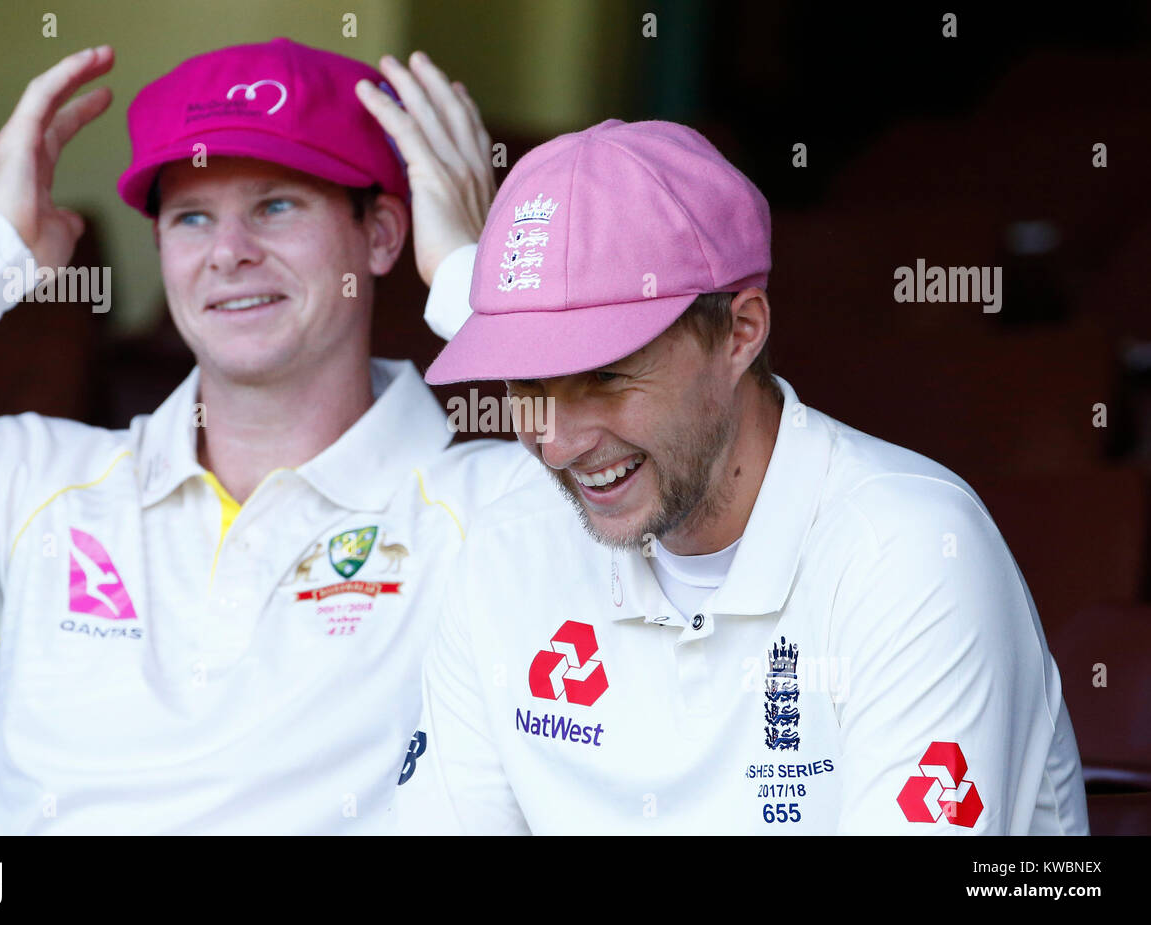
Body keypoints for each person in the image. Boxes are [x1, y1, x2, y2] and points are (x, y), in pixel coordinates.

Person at [0, 38, 538, 834]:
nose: (228, 252)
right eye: (191, 216)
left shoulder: (494, 507)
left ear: (384, 234)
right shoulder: (24, 489)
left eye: (276, 204)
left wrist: (473, 283)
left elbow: (697, 512)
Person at [393, 118, 1090, 834]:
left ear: (741, 332)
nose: (557, 442)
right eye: (525, 384)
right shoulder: (506, 549)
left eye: (605, 376)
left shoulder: (912, 550)